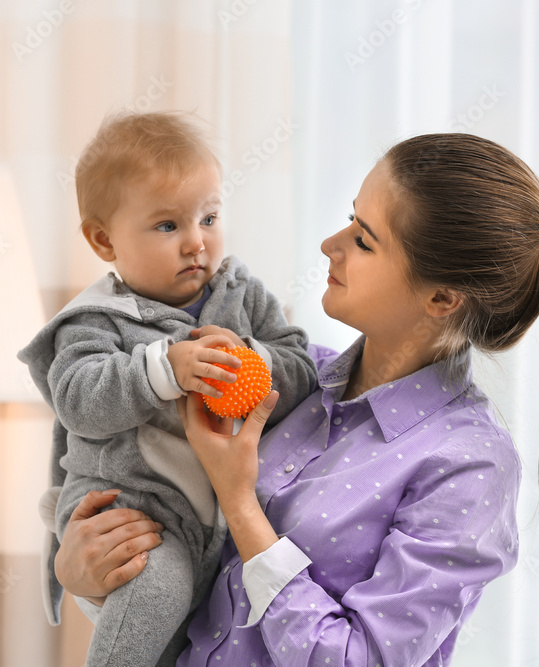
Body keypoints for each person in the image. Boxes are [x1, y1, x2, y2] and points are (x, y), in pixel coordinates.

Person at [54, 133, 539, 666]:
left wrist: (242, 505)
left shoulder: (468, 465)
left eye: (365, 239)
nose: (331, 244)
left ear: (442, 299)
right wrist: (88, 577)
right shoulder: (286, 385)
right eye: (350, 218)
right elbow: (194, 583)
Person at [18, 111, 318, 667]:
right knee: (157, 593)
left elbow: (303, 368)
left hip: (215, 521)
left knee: (198, 633)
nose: (195, 243)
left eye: (208, 217)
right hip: (135, 514)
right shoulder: (96, 321)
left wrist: (256, 361)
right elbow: (79, 400)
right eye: (167, 226)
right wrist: (162, 370)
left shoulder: (242, 296)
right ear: (104, 240)